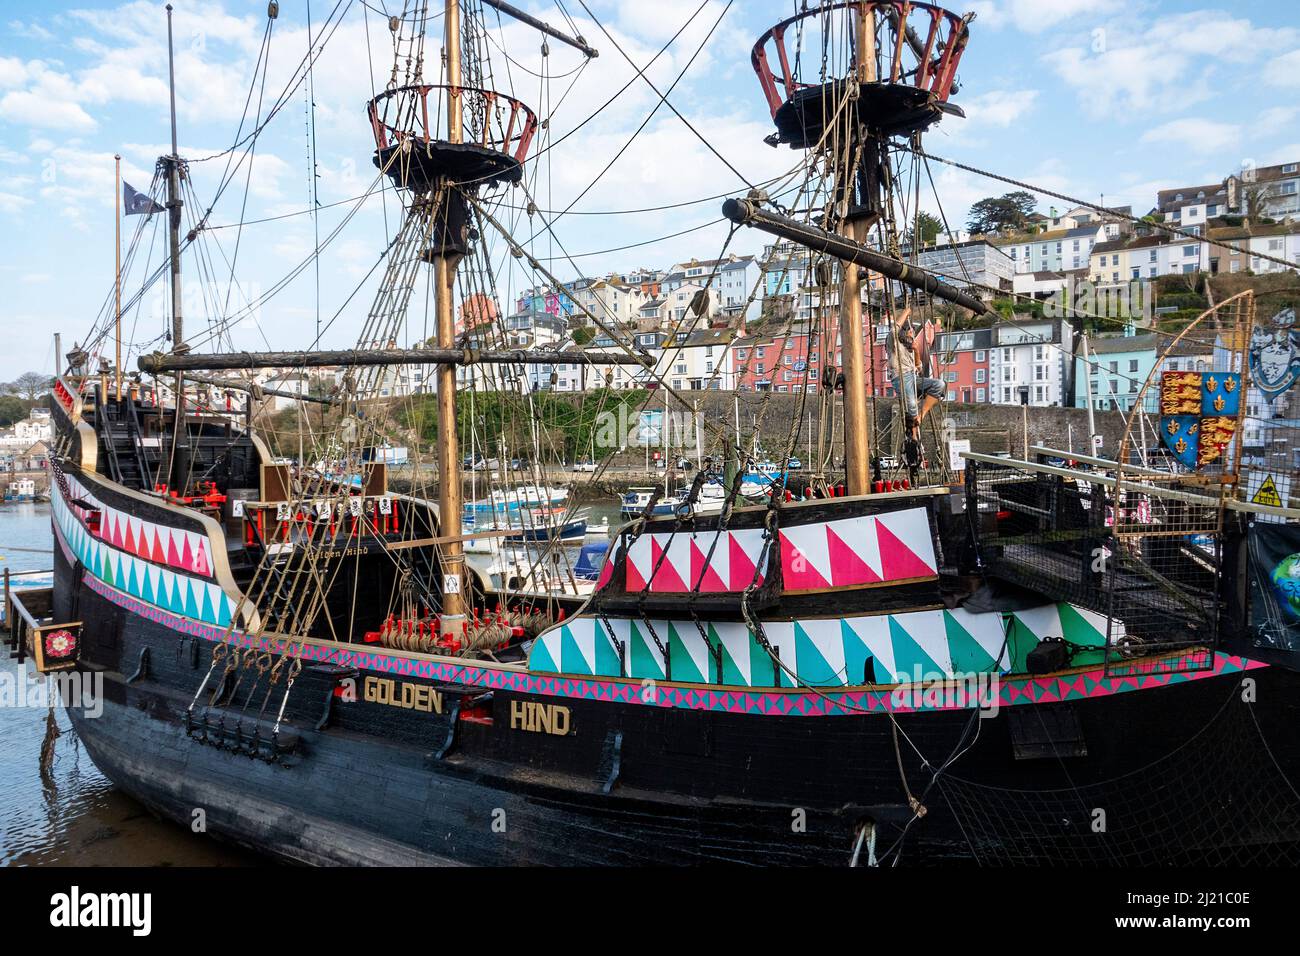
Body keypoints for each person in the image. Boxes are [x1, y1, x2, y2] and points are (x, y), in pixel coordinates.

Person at [888, 306, 943, 436]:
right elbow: (893, 330)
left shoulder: (910, 348)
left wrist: (916, 350)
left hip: (913, 378)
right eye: (910, 332)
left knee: (939, 385)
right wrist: (906, 312)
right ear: (903, 332)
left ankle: (920, 416)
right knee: (911, 404)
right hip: (900, 378)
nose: (912, 334)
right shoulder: (893, 343)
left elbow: (919, 367)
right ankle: (913, 436)